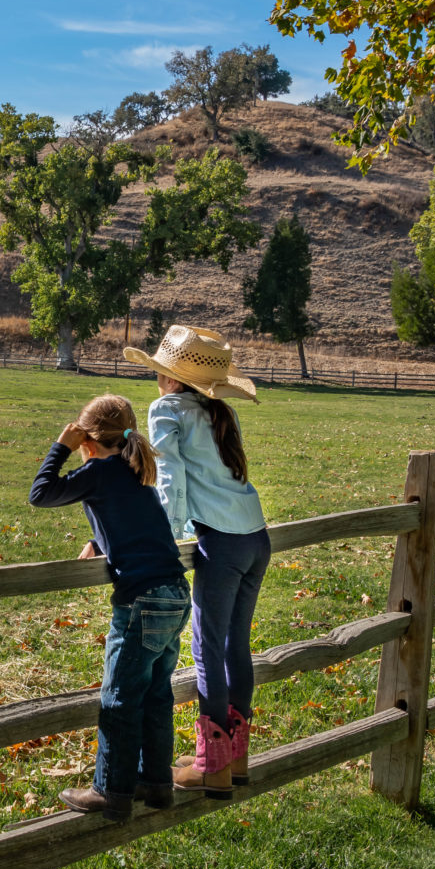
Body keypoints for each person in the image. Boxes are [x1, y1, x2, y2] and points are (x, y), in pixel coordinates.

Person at [28, 393, 190, 823]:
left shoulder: (98, 471)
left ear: (87, 440)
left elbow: (41, 494)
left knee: (119, 697)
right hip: (175, 593)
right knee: (156, 695)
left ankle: (111, 791)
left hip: (142, 600)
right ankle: (154, 783)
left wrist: (59, 446)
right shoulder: (136, 471)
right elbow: (134, 524)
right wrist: (99, 541)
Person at [123, 325, 268, 798]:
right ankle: (235, 756)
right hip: (254, 535)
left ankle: (211, 765)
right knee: (235, 646)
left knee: (207, 649)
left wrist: (167, 533)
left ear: (169, 378)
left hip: (222, 544)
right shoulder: (219, 410)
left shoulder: (166, 409)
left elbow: (170, 478)